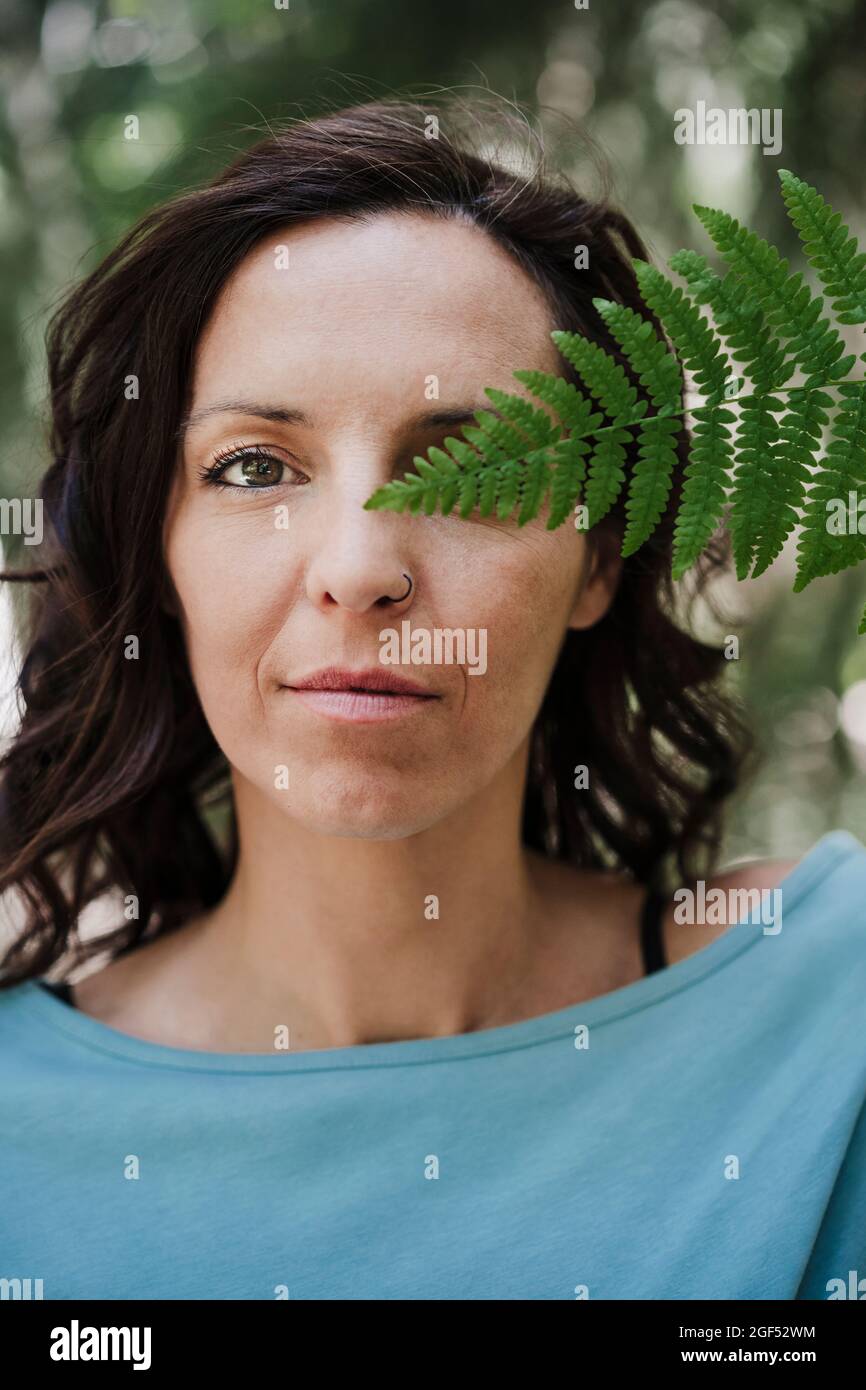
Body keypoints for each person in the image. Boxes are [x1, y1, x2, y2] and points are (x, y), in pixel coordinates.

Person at [1, 96, 864, 1301]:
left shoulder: (830, 1000)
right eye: (255, 467)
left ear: (597, 562)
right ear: (162, 552)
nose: (358, 569)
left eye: (470, 468)